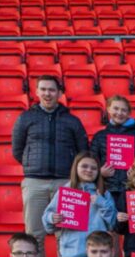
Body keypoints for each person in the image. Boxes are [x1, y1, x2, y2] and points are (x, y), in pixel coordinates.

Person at [13, 73, 90, 242]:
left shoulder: (72, 121)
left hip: (66, 182)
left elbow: (83, 152)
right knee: (34, 235)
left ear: (59, 93)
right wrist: (31, 164)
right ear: (37, 92)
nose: (47, 94)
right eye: (43, 89)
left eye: (51, 90)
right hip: (34, 182)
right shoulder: (25, 118)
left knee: (67, 234)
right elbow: (17, 150)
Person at [42, 153, 117, 257]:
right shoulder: (65, 191)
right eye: (84, 166)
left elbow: (113, 224)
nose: (89, 170)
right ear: (75, 168)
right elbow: (47, 222)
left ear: (98, 171)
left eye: (93, 168)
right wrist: (52, 218)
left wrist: (101, 203)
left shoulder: (103, 193)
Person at [89, 94, 135, 200]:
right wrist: (99, 173)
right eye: (116, 109)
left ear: (129, 113)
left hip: (131, 188)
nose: (119, 113)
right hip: (105, 189)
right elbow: (91, 162)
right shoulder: (99, 136)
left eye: (124, 110)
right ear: (108, 109)